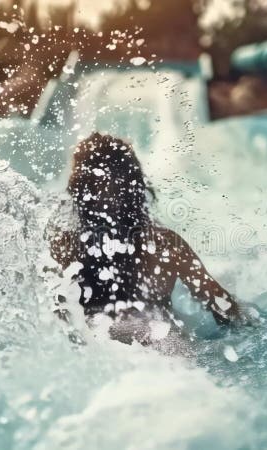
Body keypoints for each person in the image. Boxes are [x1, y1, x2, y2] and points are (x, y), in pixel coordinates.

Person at [49, 132, 252, 346]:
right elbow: (225, 307)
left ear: (78, 190)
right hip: (166, 348)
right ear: (136, 186)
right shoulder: (163, 244)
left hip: (103, 355)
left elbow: (56, 324)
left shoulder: (63, 248)